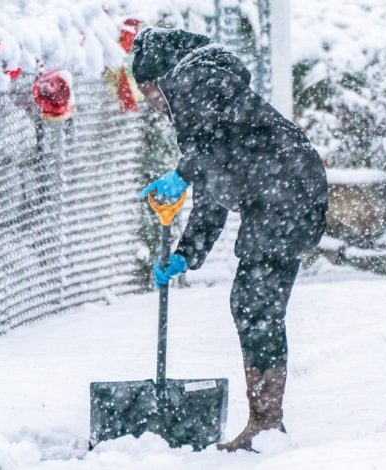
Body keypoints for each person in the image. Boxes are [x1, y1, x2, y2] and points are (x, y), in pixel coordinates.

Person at [132, 28, 328, 452]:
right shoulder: (200, 89)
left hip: (284, 191)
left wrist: (181, 174)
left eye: (147, 90)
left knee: (256, 303)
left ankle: (267, 424)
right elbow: (214, 188)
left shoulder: (199, 79)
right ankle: (266, 422)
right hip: (286, 191)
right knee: (254, 303)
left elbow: (218, 150)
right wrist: (187, 253)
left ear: (162, 76)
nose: (151, 103)